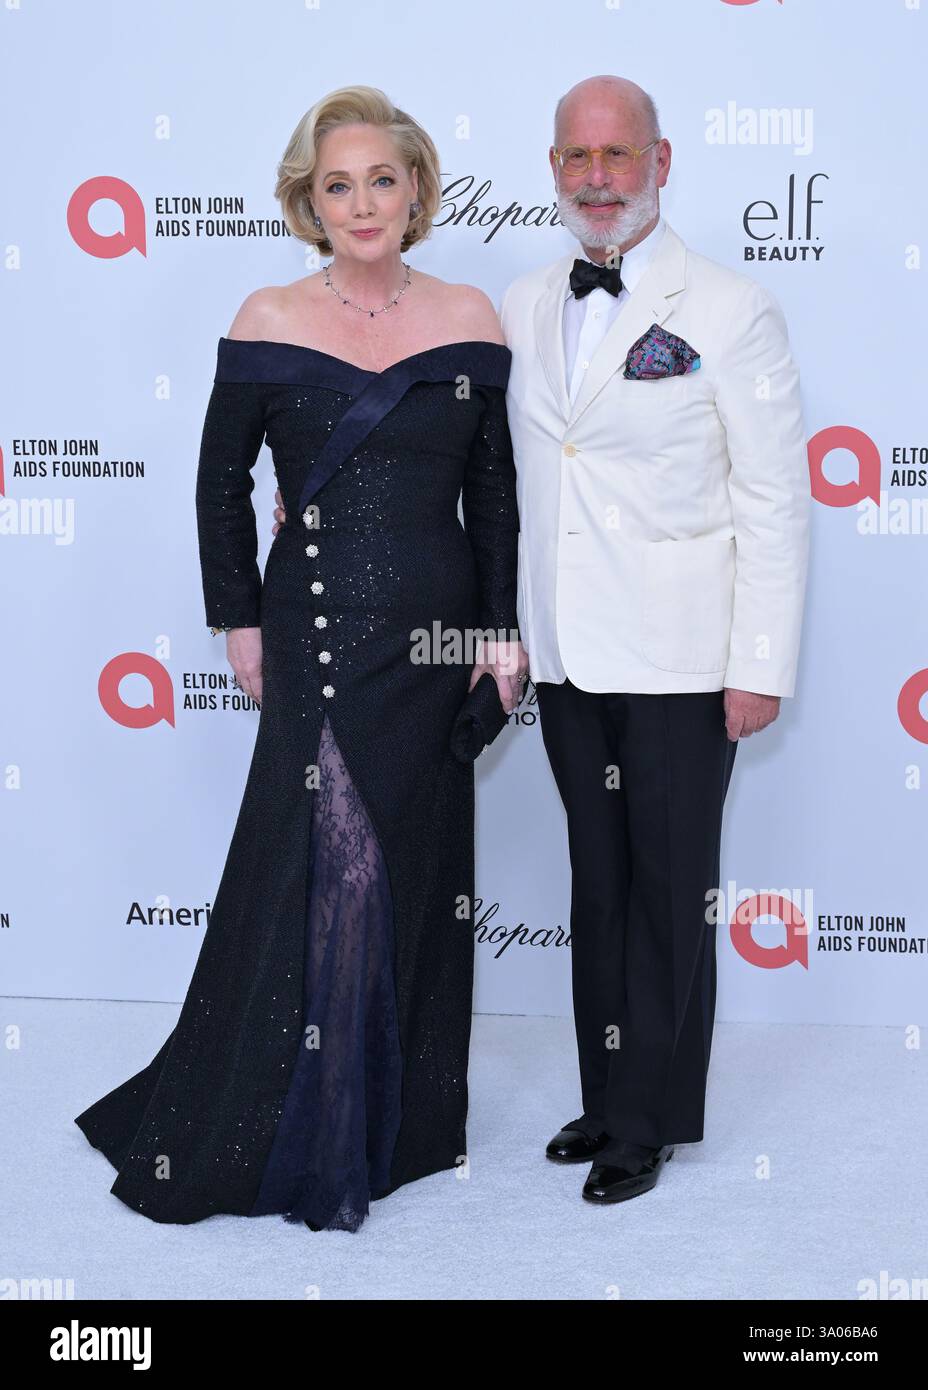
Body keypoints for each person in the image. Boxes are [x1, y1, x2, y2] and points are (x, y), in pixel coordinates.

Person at [74, 84, 527, 1233]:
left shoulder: (472, 312)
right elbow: (218, 485)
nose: (363, 201)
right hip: (316, 635)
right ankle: (297, 1121)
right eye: (338, 184)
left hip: (434, 641)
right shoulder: (269, 315)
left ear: (417, 188)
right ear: (306, 200)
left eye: (383, 178)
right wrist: (236, 619)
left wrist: (498, 632)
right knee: (331, 864)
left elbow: (493, 494)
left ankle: (388, 1114)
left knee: (413, 864)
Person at [501, 75, 810, 1204]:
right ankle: (613, 1092)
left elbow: (774, 500)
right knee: (599, 881)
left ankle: (650, 1121)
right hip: (571, 651)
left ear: (661, 162)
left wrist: (759, 665)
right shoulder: (529, 299)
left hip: (688, 658)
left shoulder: (728, 308)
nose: (596, 178)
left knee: (667, 886)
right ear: (551, 169)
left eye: (617, 156)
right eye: (575, 157)